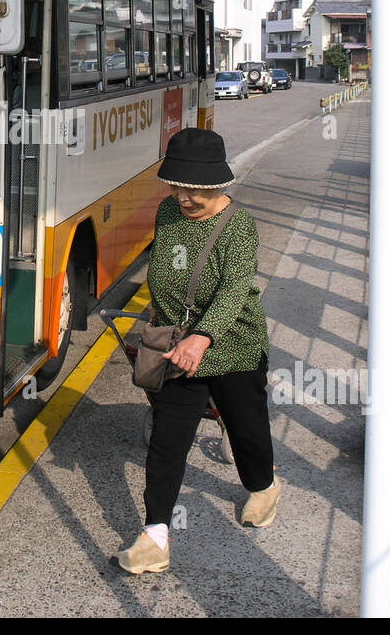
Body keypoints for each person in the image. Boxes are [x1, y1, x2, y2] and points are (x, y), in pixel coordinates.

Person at [116, 127, 278, 575]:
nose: (184, 198)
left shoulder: (239, 226)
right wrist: (165, 327)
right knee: (167, 444)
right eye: (177, 186)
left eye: (195, 191)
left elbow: (233, 290)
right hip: (177, 350)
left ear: (218, 184)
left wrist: (201, 338)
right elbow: (165, 271)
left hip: (233, 347)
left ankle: (263, 486)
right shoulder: (167, 213)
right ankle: (155, 538)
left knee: (246, 431)